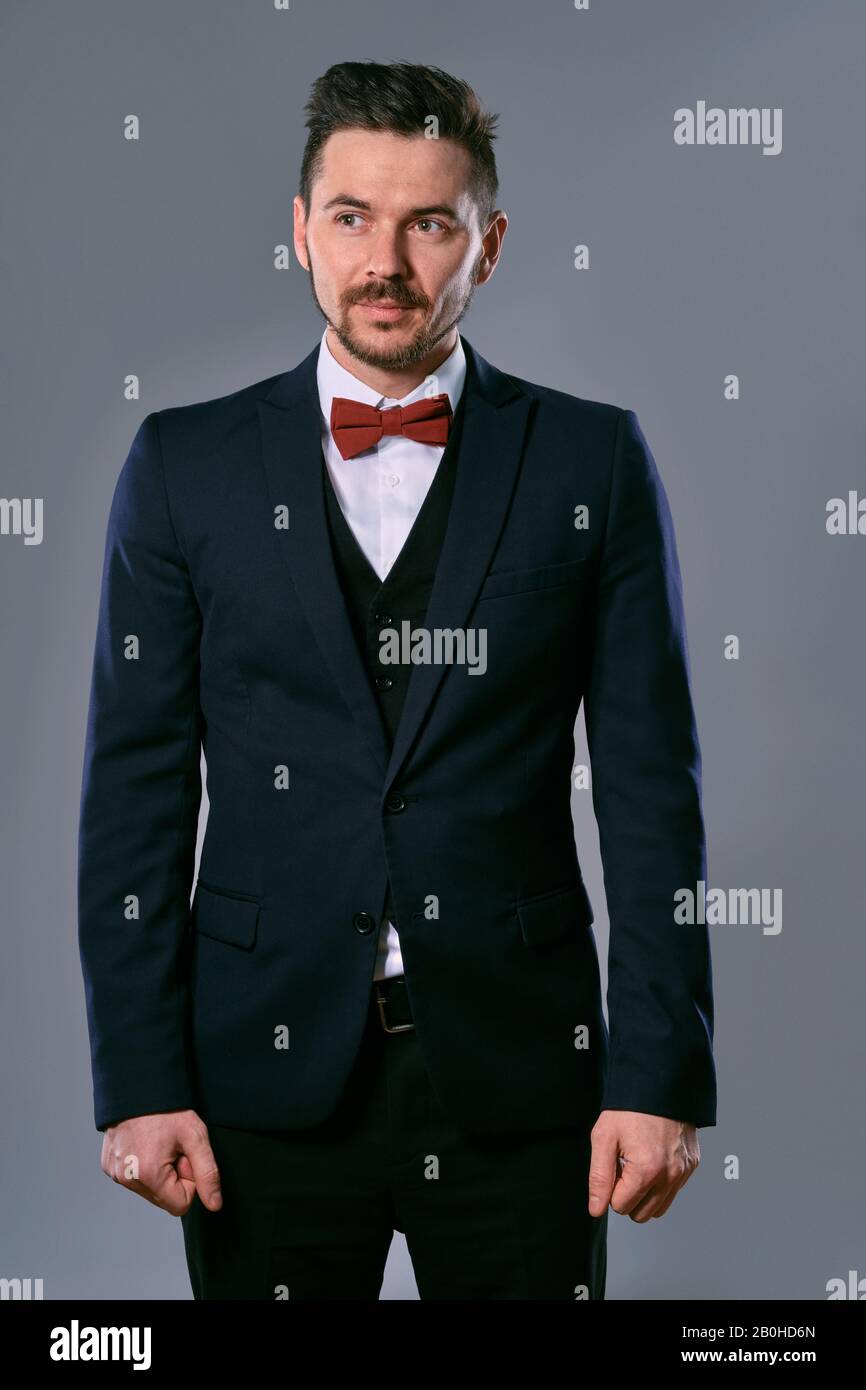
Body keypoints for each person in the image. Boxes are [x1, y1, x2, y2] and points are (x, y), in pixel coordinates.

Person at [78, 59, 716, 1301]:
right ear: (300, 235)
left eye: (429, 221)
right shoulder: (181, 465)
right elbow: (132, 800)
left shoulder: (591, 456)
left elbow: (650, 794)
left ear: (488, 244)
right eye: (352, 217)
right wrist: (139, 1079)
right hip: (259, 1077)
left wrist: (657, 1076)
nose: (386, 259)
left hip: (523, 1072)